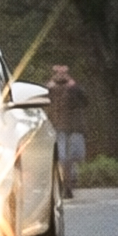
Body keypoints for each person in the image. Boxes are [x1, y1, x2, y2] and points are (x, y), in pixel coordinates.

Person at [46, 64, 89, 198]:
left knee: (75, 156)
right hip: (58, 128)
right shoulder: (50, 89)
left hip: (74, 128)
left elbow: (85, 101)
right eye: (58, 73)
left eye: (63, 73)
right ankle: (66, 184)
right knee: (62, 157)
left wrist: (73, 86)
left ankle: (70, 180)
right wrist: (49, 87)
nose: (61, 76)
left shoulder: (74, 89)